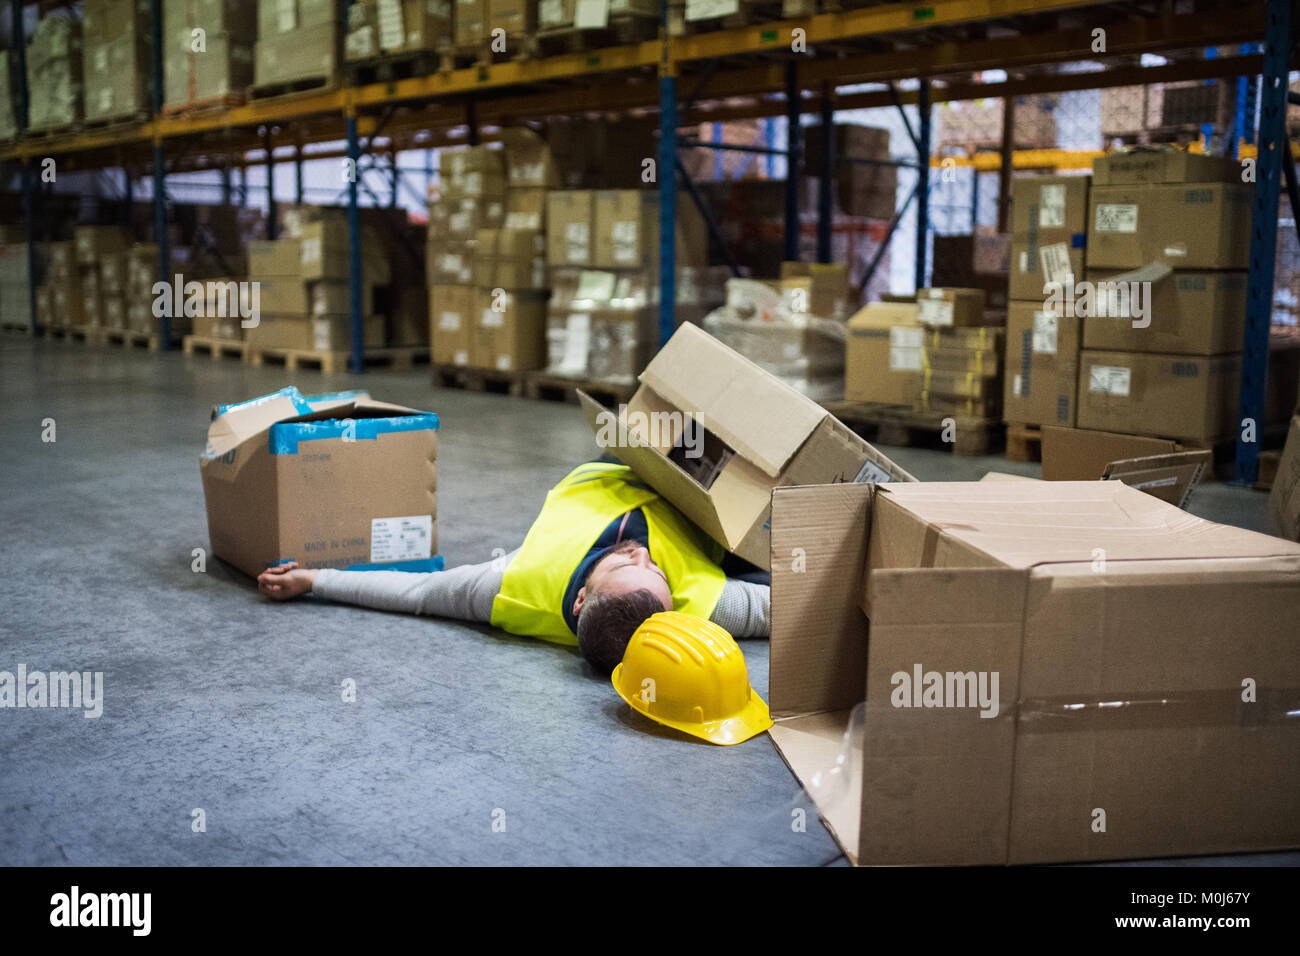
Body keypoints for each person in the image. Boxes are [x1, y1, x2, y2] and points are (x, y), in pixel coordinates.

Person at [258, 459, 770, 673]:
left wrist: (314, 579)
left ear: (581, 599)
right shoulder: (701, 610)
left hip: (630, 465)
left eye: (631, 564)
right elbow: (791, 606)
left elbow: (418, 593)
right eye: (653, 571)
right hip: (702, 498)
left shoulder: (511, 590)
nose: (642, 555)